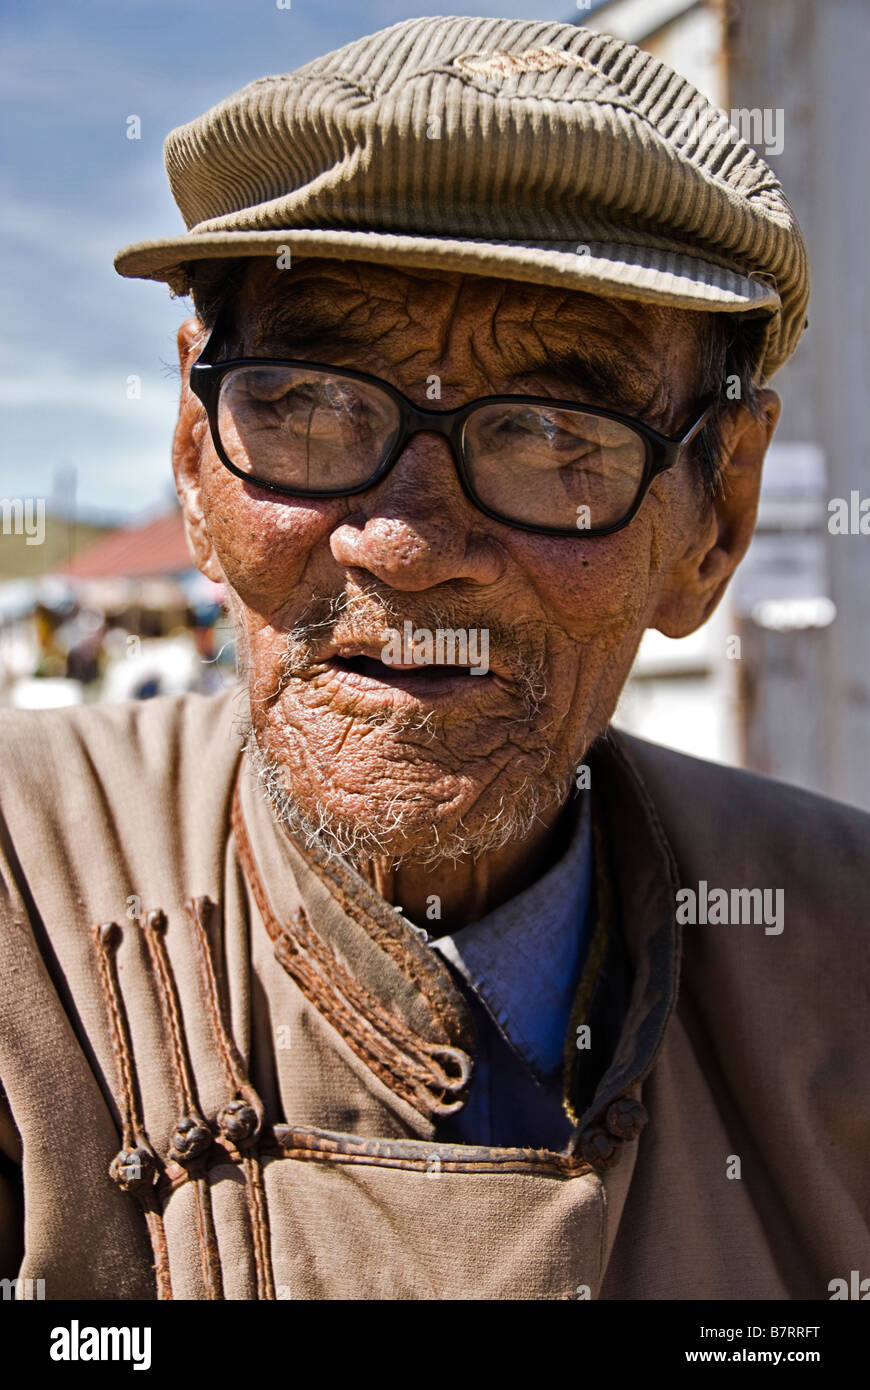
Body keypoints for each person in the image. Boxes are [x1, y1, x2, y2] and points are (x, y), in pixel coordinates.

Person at [1, 15, 866, 1302]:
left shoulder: (841, 951)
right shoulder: (25, 892)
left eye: (554, 432)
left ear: (716, 522)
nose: (404, 544)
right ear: (194, 452)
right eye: (305, 400)